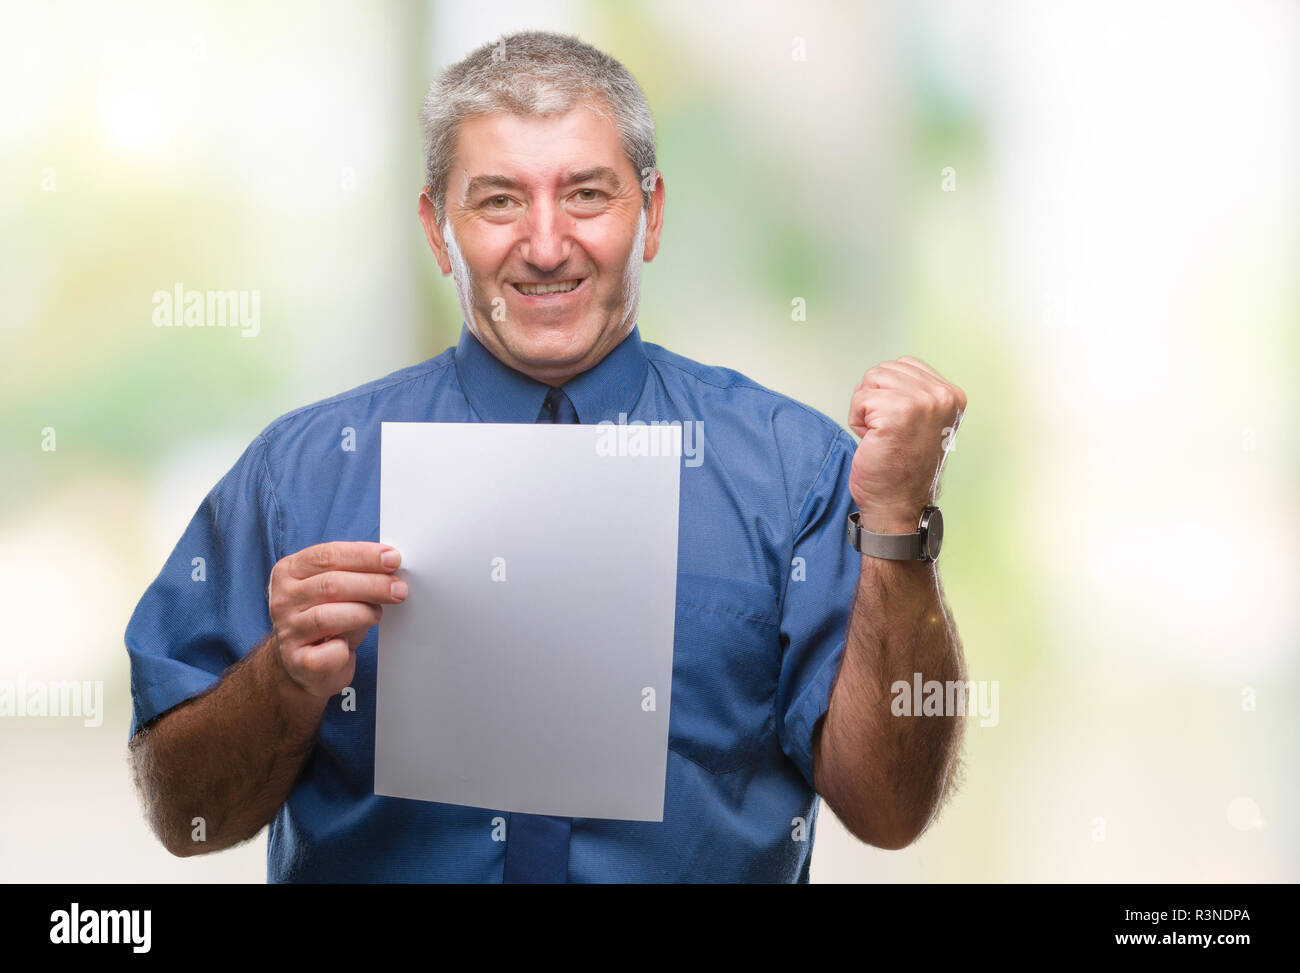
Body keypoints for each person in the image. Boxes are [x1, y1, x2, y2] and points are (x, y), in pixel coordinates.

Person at [125, 29, 968, 883]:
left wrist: (898, 525)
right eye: (497, 201)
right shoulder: (298, 476)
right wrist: (284, 681)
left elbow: (890, 811)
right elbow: (182, 815)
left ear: (653, 214)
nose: (546, 243)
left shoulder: (795, 473)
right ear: (436, 228)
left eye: (587, 195)